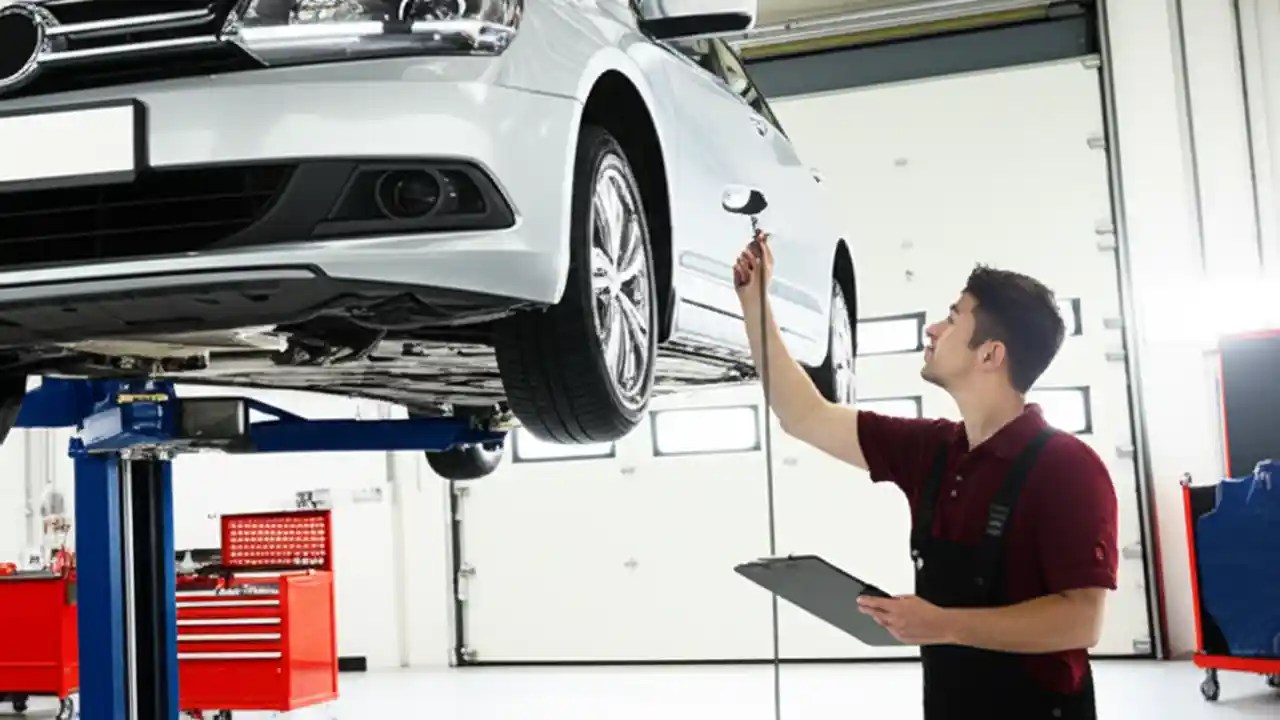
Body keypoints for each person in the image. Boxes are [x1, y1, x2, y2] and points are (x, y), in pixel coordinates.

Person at [732, 231, 1118, 720]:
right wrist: (754, 303)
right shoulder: (932, 450)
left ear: (990, 355)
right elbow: (804, 416)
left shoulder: (1068, 468)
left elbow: (1081, 621)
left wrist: (943, 624)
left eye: (954, 317)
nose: (933, 329)